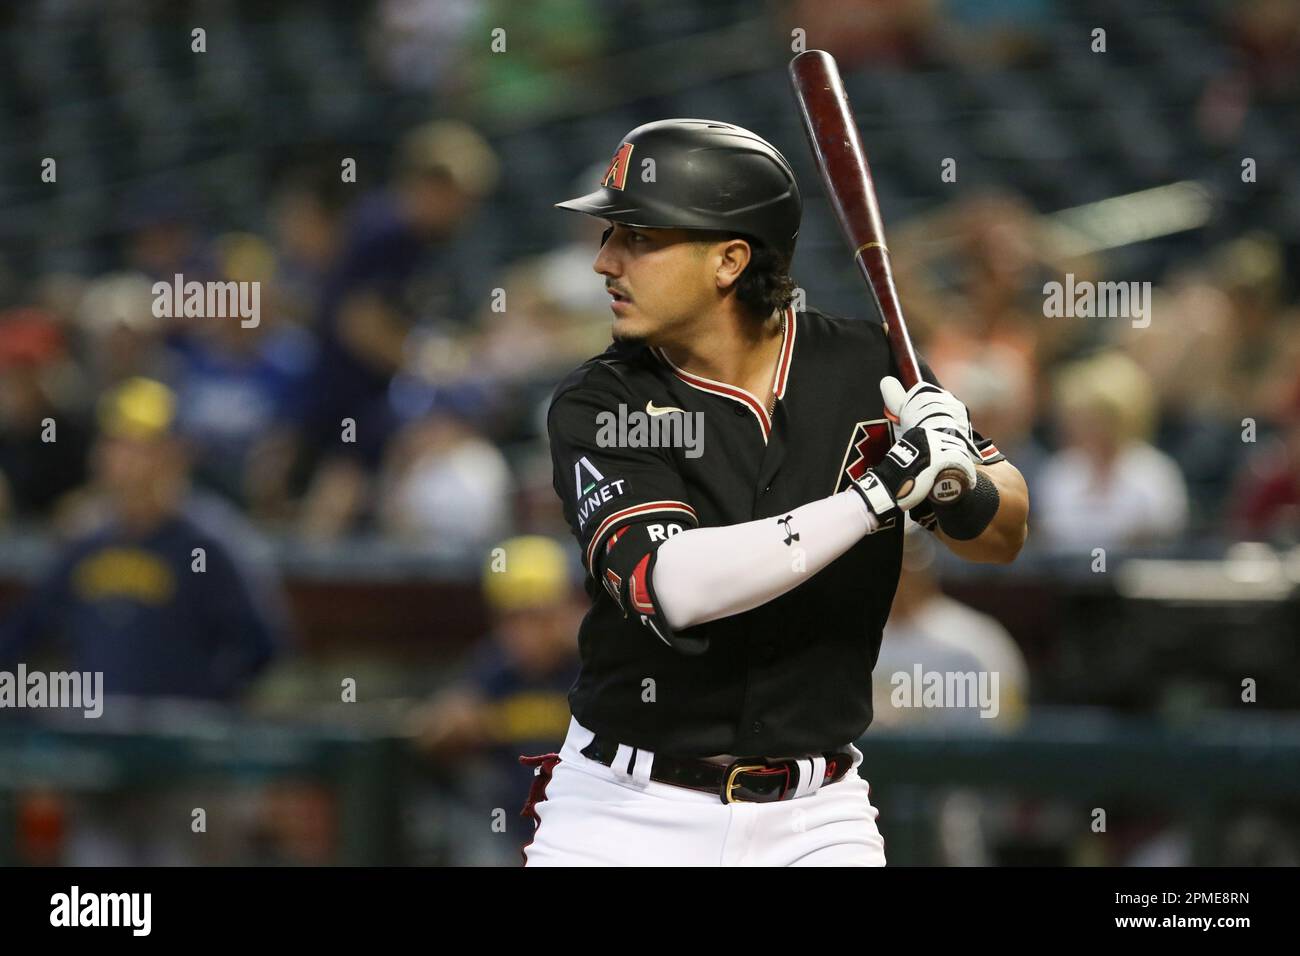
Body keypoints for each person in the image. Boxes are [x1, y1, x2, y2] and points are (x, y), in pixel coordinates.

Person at [521, 118, 1029, 866]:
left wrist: (955, 476)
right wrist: (877, 495)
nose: (605, 261)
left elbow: (1002, 535)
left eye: (638, 237)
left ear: (729, 260)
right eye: (610, 235)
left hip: (817, 814)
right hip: (626, 810)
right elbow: (676, 585)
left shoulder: (868, 366)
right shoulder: (602, 402)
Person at [409, 535, 581, 865]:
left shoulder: (587, 664)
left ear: (564, 610)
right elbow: (432, 731)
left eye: (539, 616)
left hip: (580, 822)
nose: (527, 632)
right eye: (514, 618)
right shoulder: (495, 667)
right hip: (509, 826)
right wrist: (455, 727)